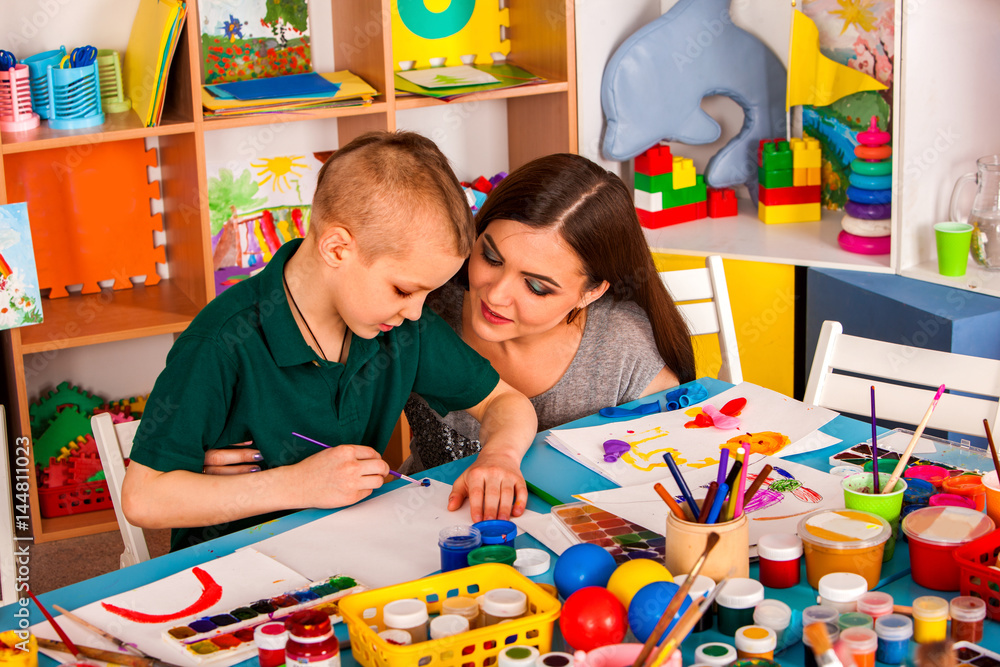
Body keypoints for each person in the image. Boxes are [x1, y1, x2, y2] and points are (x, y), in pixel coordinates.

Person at [122, 131, 538, 552]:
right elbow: (144, 498)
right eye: (403, 290)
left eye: (427, 294)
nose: (416, 311)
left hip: (345, 548)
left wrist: (499, 456)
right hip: (234, 566)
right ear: (337, 248)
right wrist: (295, 484)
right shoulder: (221, 341)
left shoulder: (399, 325)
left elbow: (506, 403)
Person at [206, 153, 695, 477]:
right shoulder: (414, 307)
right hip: (432, 529)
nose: (496, 295)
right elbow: (315, 393)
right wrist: (250, 467)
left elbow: (681, 461)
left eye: (536, 286)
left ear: (590, 293)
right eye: (491, 257)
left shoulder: (621, 345)